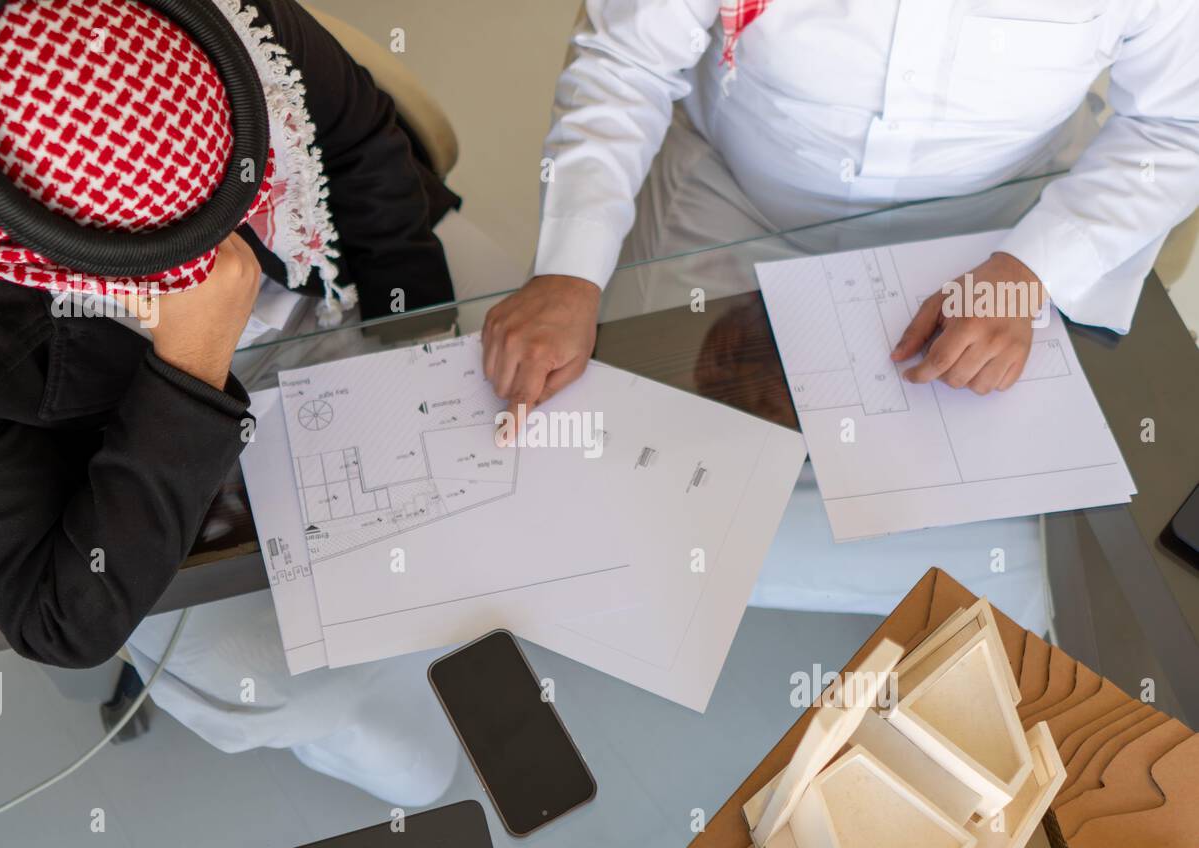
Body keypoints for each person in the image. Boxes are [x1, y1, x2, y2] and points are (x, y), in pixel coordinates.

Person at [482, 0, 1199, 633]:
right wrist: (566, 270)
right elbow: (623, 58)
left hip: (996, 238)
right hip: (732, 201)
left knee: (1019, 557)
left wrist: (1031, 270)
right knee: (631, 489)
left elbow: (1177, 125)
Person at [0, 0, 463, 804]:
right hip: (150, 448)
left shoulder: (212, 22)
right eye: (174, 247)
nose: (224, 253)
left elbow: (360, 135)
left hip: (332, 285)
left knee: (471, 541)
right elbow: (61, 617)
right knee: (373, 739)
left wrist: (416, 343)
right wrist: (191, 364)